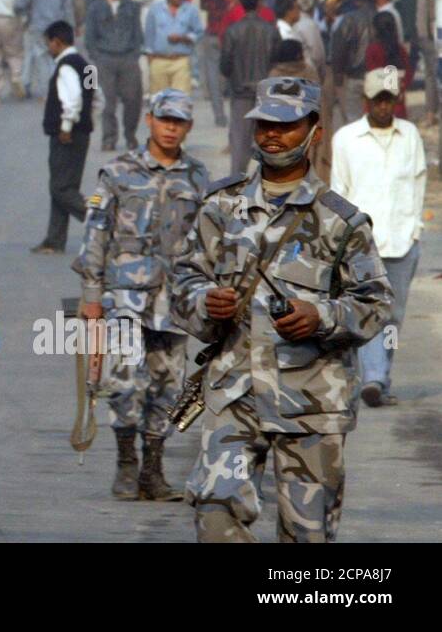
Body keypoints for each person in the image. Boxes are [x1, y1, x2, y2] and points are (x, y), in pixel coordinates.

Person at [171, 77, 391, 543]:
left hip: (312, 402)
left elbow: (375, 302)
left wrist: (321, 316)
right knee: (214, 511)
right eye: (266, 124)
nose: (274, 134)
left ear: (315, 129)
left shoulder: (341, 220)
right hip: (234, 393)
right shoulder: (220, 205)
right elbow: (183, 281)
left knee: (306, 537)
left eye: (288, 125)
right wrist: (204, 303)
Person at [75, 89, 208, 500]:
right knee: (124, 381)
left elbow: (209, 240)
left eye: (179, 121)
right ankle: (126, 464)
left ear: (187, 126)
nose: (171, 128)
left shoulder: (197, 177)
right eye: (165, 119)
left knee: (168, 385)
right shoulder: (117, 172)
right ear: (149, 119)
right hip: (125, 297)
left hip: (176, 301)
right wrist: (91, 296)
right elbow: (95, 234)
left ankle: (154, 468)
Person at [332, 68, 425, 408]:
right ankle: (371, 378)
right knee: (367, 311)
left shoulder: (410, 135)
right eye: (378, 101)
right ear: (366, 102)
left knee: (393, 318)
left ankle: (380, 378)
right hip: (361, 245)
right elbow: (338, 191)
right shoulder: (346, 139)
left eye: (389, 100)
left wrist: (415, 228)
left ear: (396, 101)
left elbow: (418, 182)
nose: (384, 107)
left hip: (402, 241)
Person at [32, 20, 96, 254]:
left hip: (66, 135)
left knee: (60, 188)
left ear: (56, 42)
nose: (49, 48)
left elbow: (73, 99)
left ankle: (100, 221)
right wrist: (88, 119)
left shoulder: (65, 67)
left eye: (49, 43)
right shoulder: (88, 66)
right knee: (64, 185)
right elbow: (97, 97)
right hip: (83, 133)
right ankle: (54, 239)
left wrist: (67, 126)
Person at [221, 0, 282, 175]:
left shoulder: (233, 31)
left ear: (239, 2)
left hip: (240, 93)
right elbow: (277, 60)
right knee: (271, 141)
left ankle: (236, 183)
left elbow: (225, 65)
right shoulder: (270, 31)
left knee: (240, 142)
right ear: (260, 3)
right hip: (266, 92)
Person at [85, 0, 143, 151]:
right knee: (107, 101)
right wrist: (96, 56)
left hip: (128, 57)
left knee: (133, 99)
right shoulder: (96, 8)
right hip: (105, 58)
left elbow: (137, 33)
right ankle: (109, 138)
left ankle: (130, 135)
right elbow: (90, 36)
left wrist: (135, 54)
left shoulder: (132, 7)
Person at [14, 0, 75, 99]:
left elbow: (19, 3)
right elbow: (68, 9)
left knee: (38, 56)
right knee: (54, 58)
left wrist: (22, 13)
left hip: (37, 27)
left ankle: (41, 88)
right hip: (57, 28)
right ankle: (53, 88)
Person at [143, 0, 203, 93]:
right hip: (159, 60)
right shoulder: (155, 10)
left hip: (181, 60)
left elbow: (199, 32)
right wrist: (151, 61)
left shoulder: (191, 10)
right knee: (160, 104)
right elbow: (149, 36)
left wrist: (183, 38)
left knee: (180, 103)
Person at [330, 0, 379, 126]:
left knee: (354, 123)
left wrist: (338, 77)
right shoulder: (384, 18)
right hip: (379, 76)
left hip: (354, 78)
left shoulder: (348, 19)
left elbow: (338, 50)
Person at [199, 0, 235, 127]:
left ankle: (219, 115)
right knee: (234, 75)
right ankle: (236, 113)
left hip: (213, 32)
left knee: (213, 75)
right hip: (231, 34)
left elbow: (203, 5)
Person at [364, 11, 412, 118]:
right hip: (398, 105)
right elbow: (408, 76)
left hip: (376, 107)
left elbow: (371, 77)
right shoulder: (401, 50)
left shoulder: (372, 50)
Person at [275, 0, 325, 77]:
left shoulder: (290, 28)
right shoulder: (282, 32)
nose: (300, 12)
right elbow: (317, 54)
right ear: (289, 12)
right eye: (297, 8)